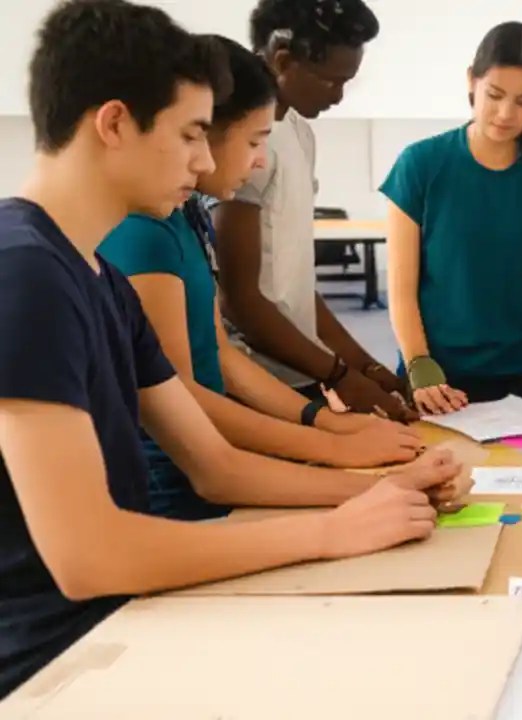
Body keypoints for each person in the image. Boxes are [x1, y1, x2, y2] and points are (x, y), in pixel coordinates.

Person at [0, 0, 466, 698]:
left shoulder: (98, 276)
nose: (206, 159)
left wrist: (385, 491)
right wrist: (331, 531)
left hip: (123, 624)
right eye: (192, 133)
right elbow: (88, 556)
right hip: (57, 667)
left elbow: (215, 467)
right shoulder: (25, 271)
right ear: (116, 123)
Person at [99, 36, 426, 521]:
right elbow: (185, 400)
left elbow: (222, 357)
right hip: (174, 488)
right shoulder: (140, 232)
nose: (258, 161)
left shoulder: (185, 215)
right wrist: (334, 446)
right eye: (253, 142)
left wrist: (327, 424)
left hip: (215, 467)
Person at [213, 0, 414, 421]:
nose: (339, 97)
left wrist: (365, 366)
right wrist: (340, 374)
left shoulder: (300, 134)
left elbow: (296, 289)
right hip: (254, 384)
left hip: (300, 371)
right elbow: (241, 300)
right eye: (330, 81)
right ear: (284, 60)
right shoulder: (240, 145)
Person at [382, 22, 522, 419]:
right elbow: (401, 288)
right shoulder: (420, 165)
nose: (506, 113)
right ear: (471, 81)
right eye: (494, 95)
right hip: (434, 379)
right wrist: (419, 365)